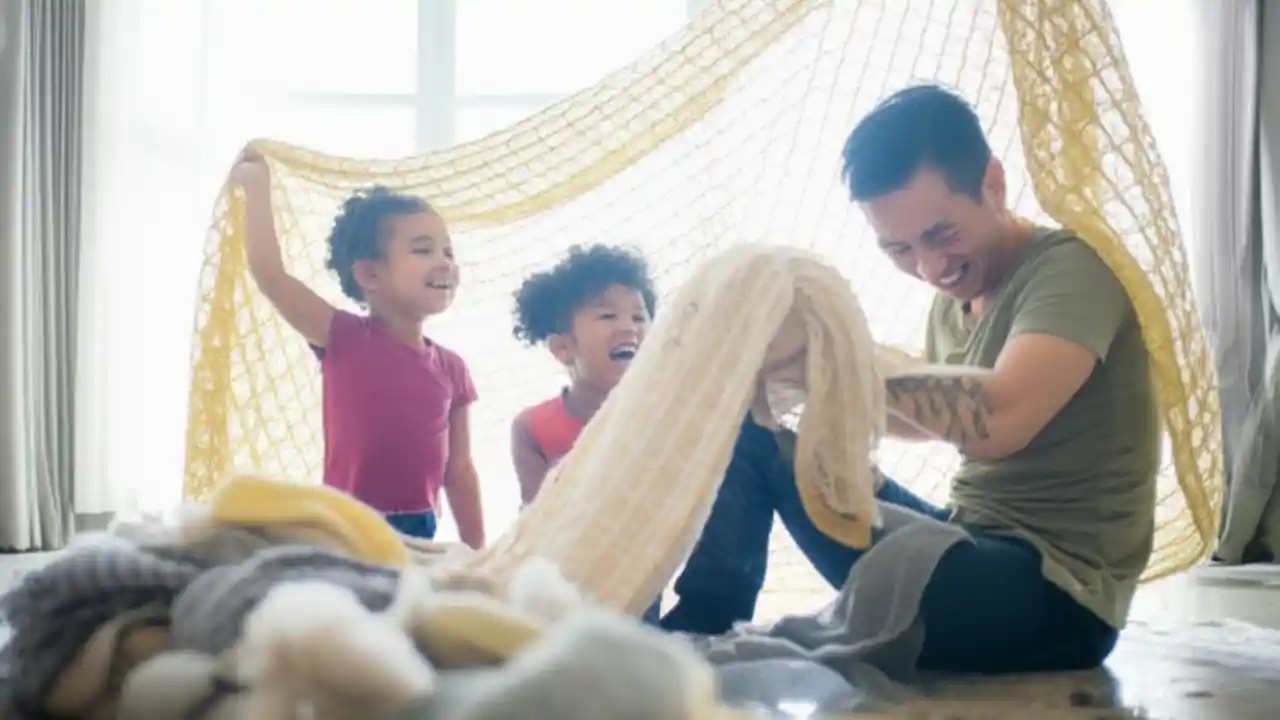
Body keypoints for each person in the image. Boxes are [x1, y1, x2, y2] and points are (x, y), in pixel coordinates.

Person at [661, 84, 1158, 674]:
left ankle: (697, 641)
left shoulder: (1070, 271)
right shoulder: (957, 297)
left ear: (993, 186)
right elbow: (936, 423)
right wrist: (811, 404)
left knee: (834, 473)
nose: (929, 268)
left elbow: (997, 420)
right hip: (967, 537)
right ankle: (701, 626)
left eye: (941, 234)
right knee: (758, 432)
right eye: (899, 248)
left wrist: (835, 363)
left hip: (1054, 598)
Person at [229, 150, 486, 548]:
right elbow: (271, 275)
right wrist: (257, 186)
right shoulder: (342, 337)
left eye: (448, 252)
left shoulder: (452, 368)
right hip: (343, 522)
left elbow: (461, 470)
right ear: (369, 273)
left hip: (419, 527)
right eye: (423, 250)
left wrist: (477, 555)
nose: (444, 262)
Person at [510, 244, 660, 620]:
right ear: (563, 347)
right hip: (569, 580)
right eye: (607, 315)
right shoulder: (533, 427)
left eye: (640, 317)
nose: (629, 326)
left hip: (645, 572)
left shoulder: (664, 415)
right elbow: (535, 522)